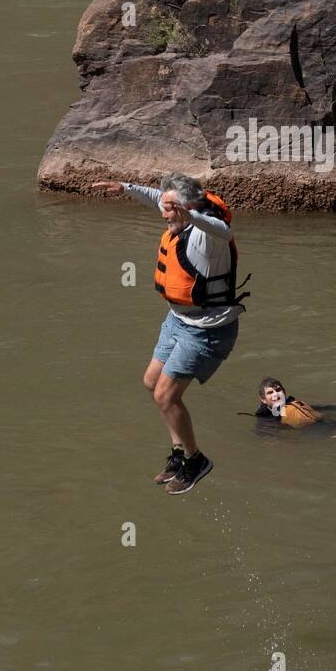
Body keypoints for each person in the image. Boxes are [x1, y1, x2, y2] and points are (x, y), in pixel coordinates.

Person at [91, 174, 246, 495]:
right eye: (165, 207)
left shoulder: (208, 235)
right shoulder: (177, 213)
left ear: (188, 208)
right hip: (178, 319)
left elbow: (223, 230)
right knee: (151, 383)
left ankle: (196, 460)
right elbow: (159, 199)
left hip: (207, 329)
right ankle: (179, 452)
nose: (164, 215)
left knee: (166, 395)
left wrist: (191, 217)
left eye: (172, 210)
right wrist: (127, 189)